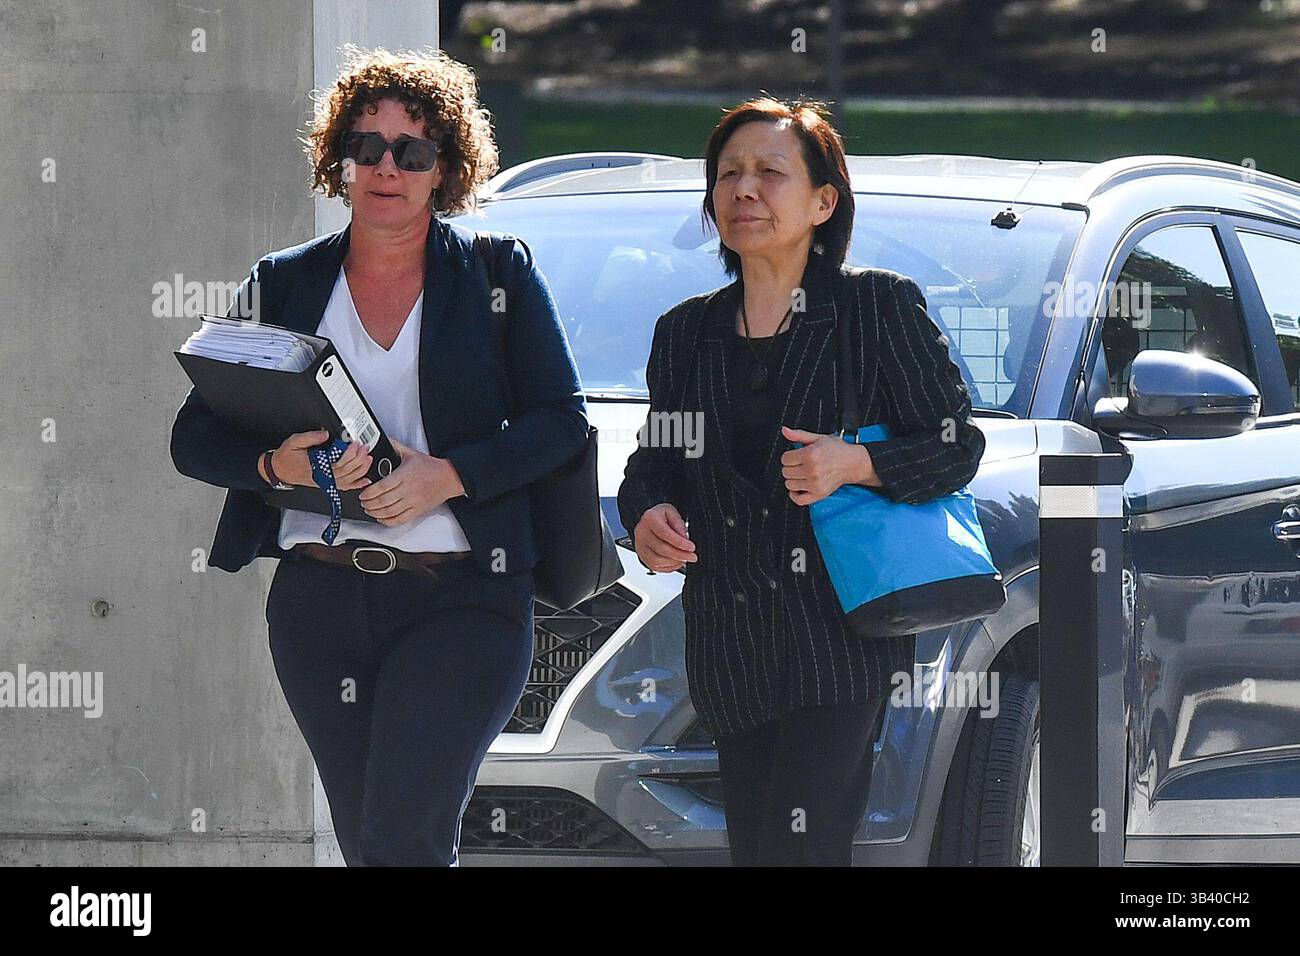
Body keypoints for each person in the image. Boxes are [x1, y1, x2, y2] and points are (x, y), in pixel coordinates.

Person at [169, 45, 587, 866]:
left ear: (445, 170)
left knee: (405, 835)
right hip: (318, 606)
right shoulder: (284, 281)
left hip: (462, 600)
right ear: (340, 160)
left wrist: (448, 477)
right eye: (367, 147)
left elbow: (560, 422)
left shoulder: (498, 272)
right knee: (372, 845)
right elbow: (193, 436)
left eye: (413, 152)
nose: (386, 167)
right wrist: (276, 469)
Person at [616, 97, 986, 866]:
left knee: (806, 845)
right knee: (759, 848)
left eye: (770, 173)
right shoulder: (685, 332)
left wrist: (859, 463)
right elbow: (655, 461)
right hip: (730, 642)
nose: (744, 190)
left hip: (840, 633)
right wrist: (648, 514)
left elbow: (956, 445)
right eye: (728, 175)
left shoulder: (875, 307)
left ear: (824, 201)